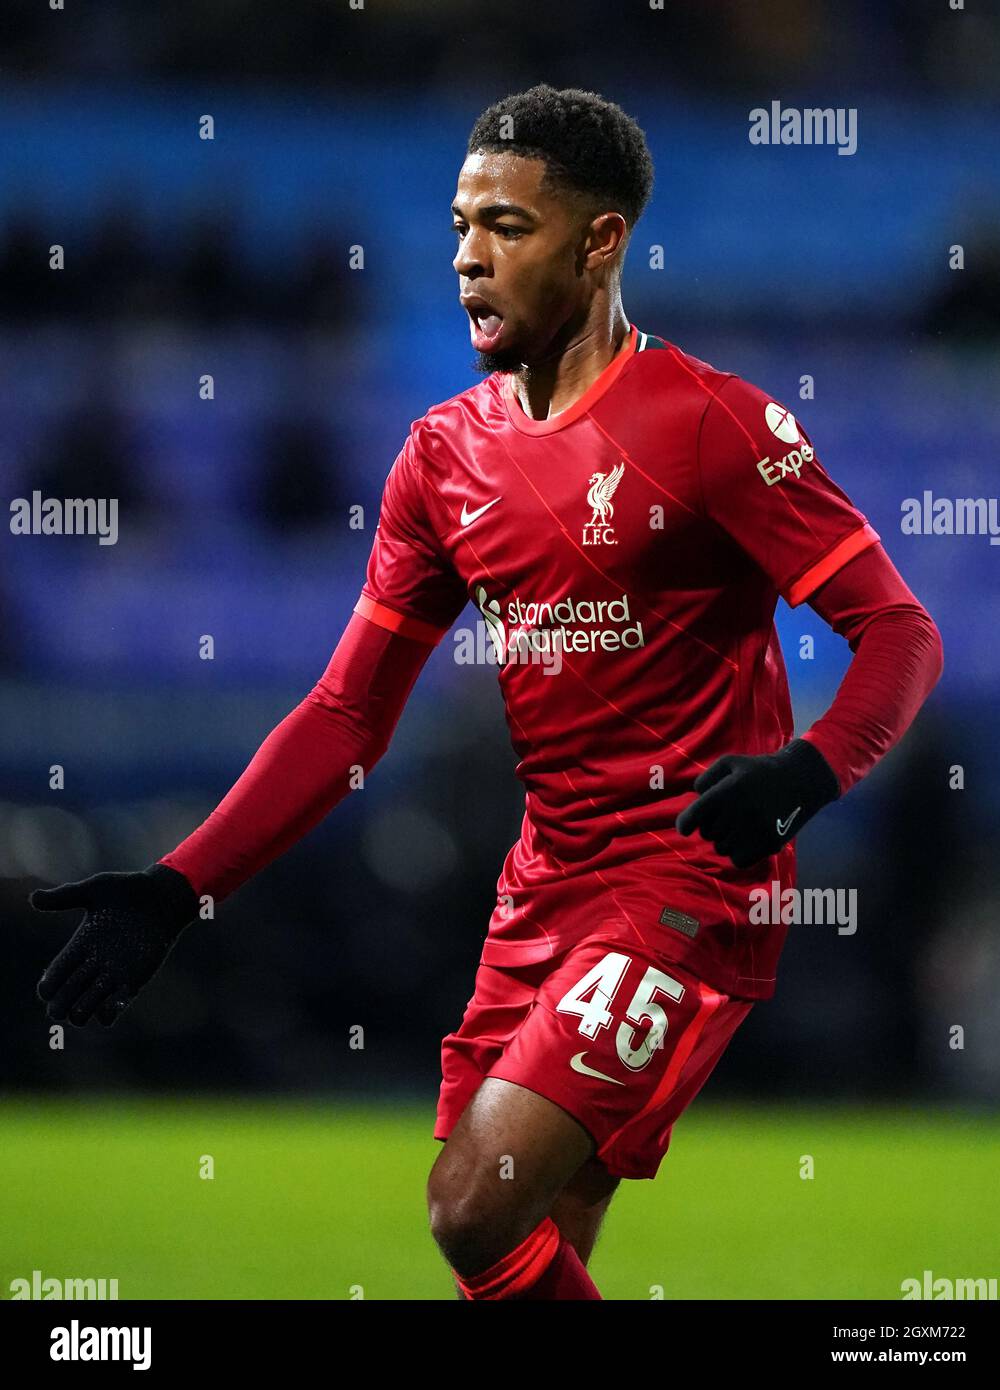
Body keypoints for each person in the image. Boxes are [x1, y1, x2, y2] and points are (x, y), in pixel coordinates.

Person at [31, 85, 944, 1301]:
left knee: (470, 1205)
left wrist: (810, 768)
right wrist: (175, 884)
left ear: (599, 241)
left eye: (507, 227)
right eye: (460, 224)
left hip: (686, 875)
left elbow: (895, 627)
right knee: (529, 1254)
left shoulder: (714, 425)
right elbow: (348, 713)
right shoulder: (440, 455)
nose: (467, 255)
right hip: (544, 883)